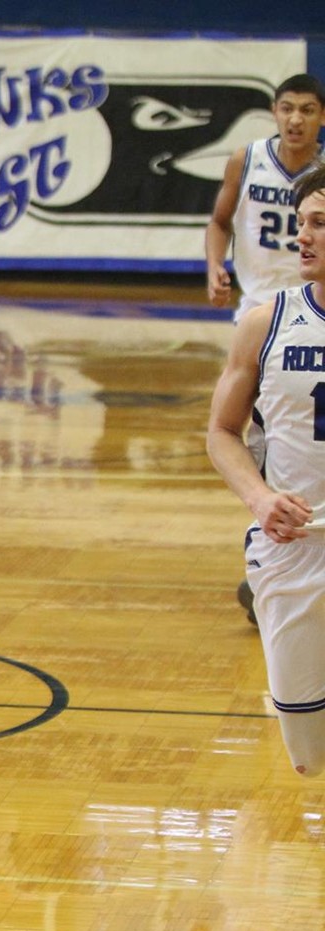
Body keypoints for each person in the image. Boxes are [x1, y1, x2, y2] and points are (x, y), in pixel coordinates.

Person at [207, 164, 325, 778]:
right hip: (292, 549)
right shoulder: (265, 323)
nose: (303, 236)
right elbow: (223, 433)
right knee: (308, 756)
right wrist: (258, 498)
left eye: (321, 223)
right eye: (302, 223)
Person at [205, 72, 325, 627]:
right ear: (274, 113)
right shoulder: (245, 159)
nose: (295, 119)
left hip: (317, 310)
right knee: (257, 447)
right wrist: (214, 265)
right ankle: (272, 548)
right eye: (286, 108)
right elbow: (220, 220)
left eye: (306, 109)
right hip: (265, 320)